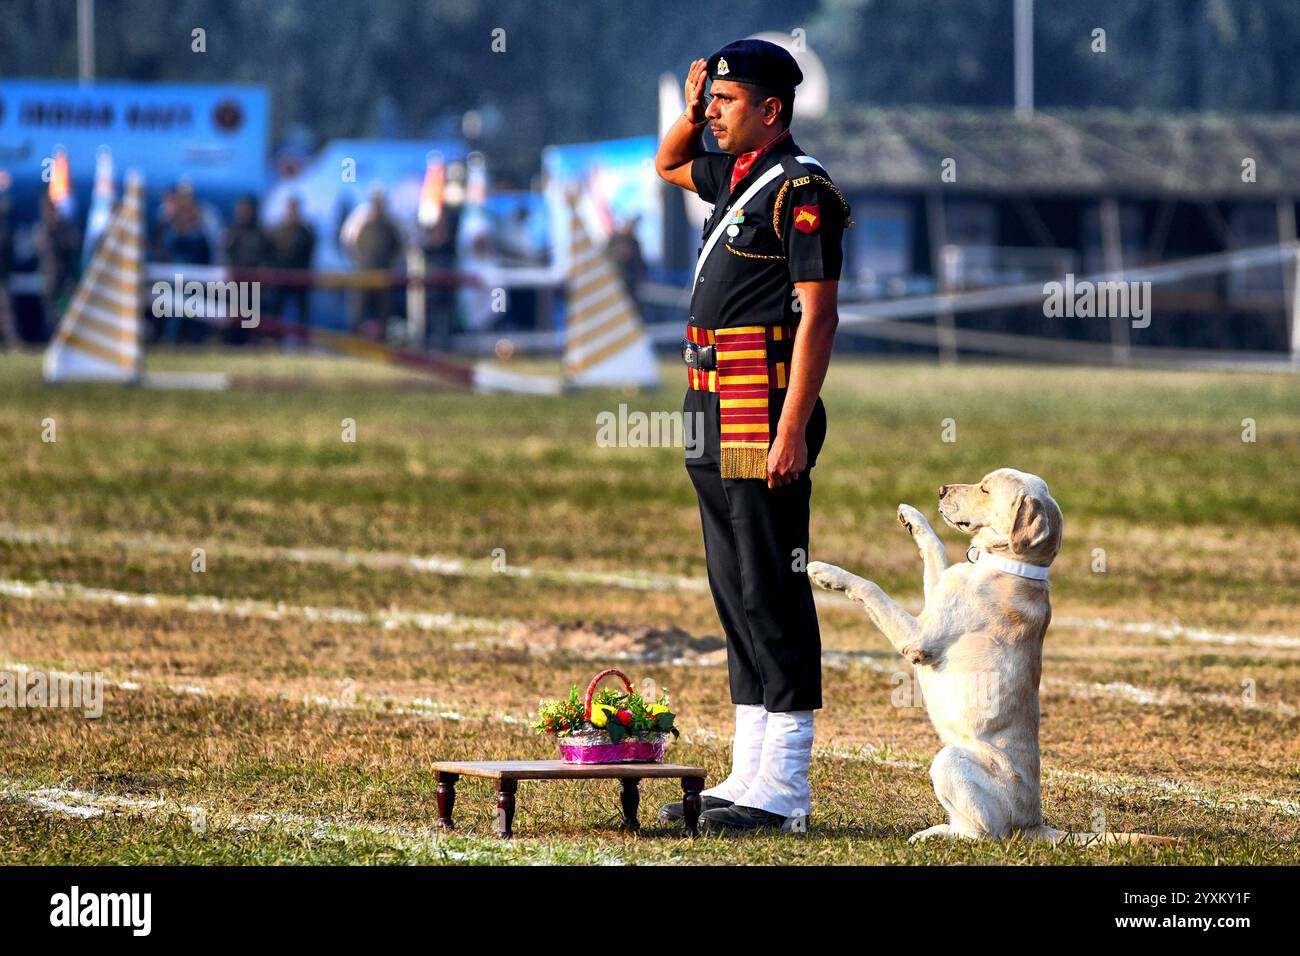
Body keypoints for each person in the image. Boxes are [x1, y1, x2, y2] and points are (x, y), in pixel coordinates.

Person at [653, 39, 852, 834]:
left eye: (726, 103)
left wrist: (794, 426)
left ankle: (789, 787)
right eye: (710, 101)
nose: (711, 115)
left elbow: (819, 313)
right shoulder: (736, 177)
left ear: (771, 110)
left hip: (760, 406)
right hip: (709, 400)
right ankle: (749, 772)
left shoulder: (801, 190)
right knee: (732, 589)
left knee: (770, 583)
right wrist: (690, 100)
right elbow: (668, 164)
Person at [341, 183, 403, 338]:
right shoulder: (360, 217)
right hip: (363, 272)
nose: (378, 203)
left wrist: (391, 263)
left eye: (380, 200)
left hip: (384, 272)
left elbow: (401, 245)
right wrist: (358, 262)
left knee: (384, 311)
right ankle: (355, 340)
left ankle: (383, 342)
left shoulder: (391, 220)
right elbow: (347, 242)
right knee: (358, 310)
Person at [222, 195, 271, 345]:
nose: (243, 214)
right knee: (233, 319)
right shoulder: (232, 232)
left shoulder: (260, 234)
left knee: (251, 322)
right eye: (240, 210)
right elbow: (226, 255)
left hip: (254, 285)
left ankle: (250, 345)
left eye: (246, 210)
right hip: (235, 283)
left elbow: (267, 257)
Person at [268, 195, 317, 345]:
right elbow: (271, 253)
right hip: (280, 278)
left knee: (302, 314)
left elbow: (310, 253)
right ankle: (275, 340)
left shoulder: (306, 232)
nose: (292, 212)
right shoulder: (276, 230)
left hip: (300, 279)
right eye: (290, 208)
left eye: (295, 209)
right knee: (277, 311)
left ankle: (303, 342)